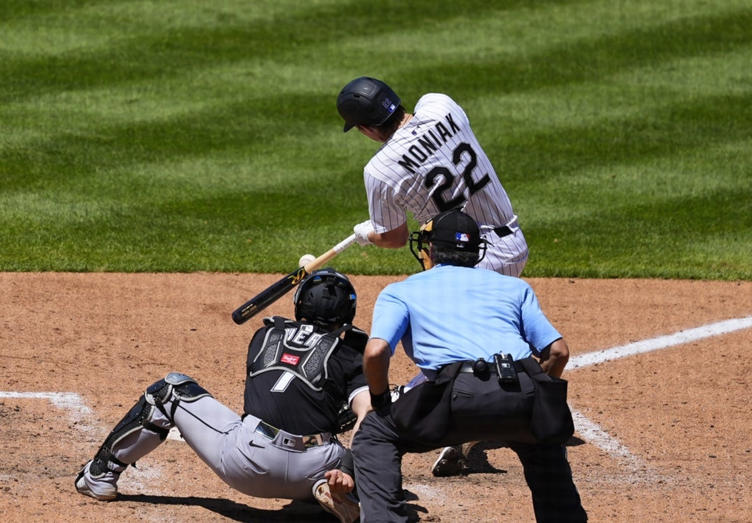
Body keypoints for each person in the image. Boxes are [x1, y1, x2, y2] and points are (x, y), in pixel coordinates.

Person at [337, 76, 529, 474]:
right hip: (512, 243)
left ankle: (396, 415)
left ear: (368, 128)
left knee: (445, 348)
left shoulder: (379, 170)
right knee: (484, 341)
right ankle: (483, 416)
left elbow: (394, 237)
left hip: (468, 260)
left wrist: (367, 234)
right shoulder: (439, 103)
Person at [75, 269, 371, 523]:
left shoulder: (265, 336)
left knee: (169, 390)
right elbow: (365, 412)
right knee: (381, 417)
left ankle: (99, 476)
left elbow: (278, 388)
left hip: (249, 462)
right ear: (348, 313)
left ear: (299, 303)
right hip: (316, 467)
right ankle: (347, 491)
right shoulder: (351, 355)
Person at [351, 209, 587, 522]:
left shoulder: (401, 291)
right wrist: (536, 399)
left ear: (431, 249)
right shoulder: (514, 288)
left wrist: (381, 401)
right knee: (542, 435)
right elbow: (558, 352)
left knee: (374, 434)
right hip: (518, 387)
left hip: (452, 398)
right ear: (477, 251)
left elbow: (376, 352)